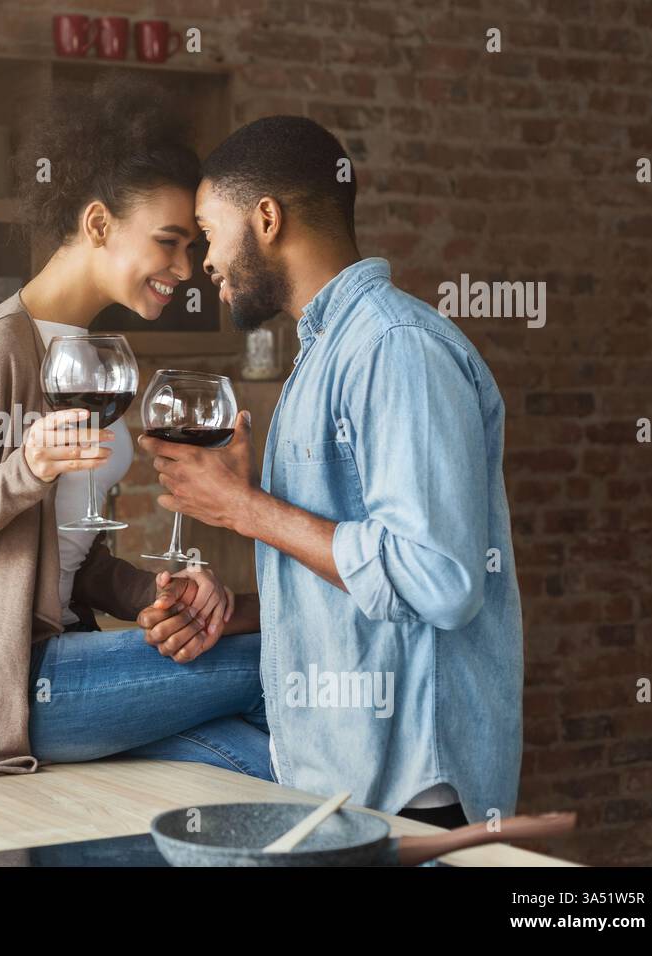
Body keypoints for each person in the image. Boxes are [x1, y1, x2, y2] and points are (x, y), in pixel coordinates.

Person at [138, 115, 523, 828]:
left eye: (211, 232)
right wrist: (244, 611)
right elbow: (361, 576)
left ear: (268, 218)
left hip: (409, 792)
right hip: (337, 770)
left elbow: (437, 579)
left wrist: (243, 509)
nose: (205, 263)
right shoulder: (325, 352)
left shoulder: (395, 348)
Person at [0, 76, 273, 780]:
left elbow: (73, 568)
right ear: (98, 225)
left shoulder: (90, 359)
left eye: (194, 246)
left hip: (69, 667)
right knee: (279, 660)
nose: (186, 269)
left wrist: (158, 593)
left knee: (263, 767)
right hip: (5, 687)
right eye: (169, 242)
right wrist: (24, 471)